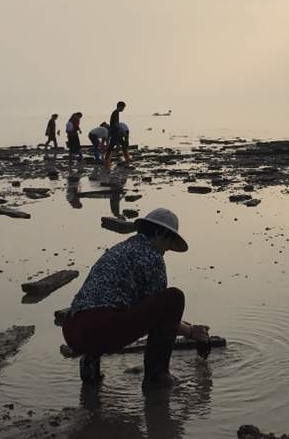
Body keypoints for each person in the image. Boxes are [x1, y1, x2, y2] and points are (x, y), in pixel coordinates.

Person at [63, 208, 210, 388]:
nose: (166, 250)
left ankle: (90, 364)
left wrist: (188, 327)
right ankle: (157, 377)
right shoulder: (152, 255)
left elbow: (145, 311)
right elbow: (162, 314)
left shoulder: (121, 249)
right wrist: (191, 333)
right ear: (159, 233)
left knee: (112, 305)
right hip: (100, 329)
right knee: (174, 297)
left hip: (73, 330)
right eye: (168, 242)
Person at [104, 101, 129, 168]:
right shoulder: (116, 113)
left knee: (121, 145)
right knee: (113, 146)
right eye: (123, 108)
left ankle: (107, 160)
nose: (123, 109)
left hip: (115, 132)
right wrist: (122, 131)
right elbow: (116, 124)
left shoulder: (116, 112)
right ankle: (106, 160)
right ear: (120, 106)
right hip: (115, 132)